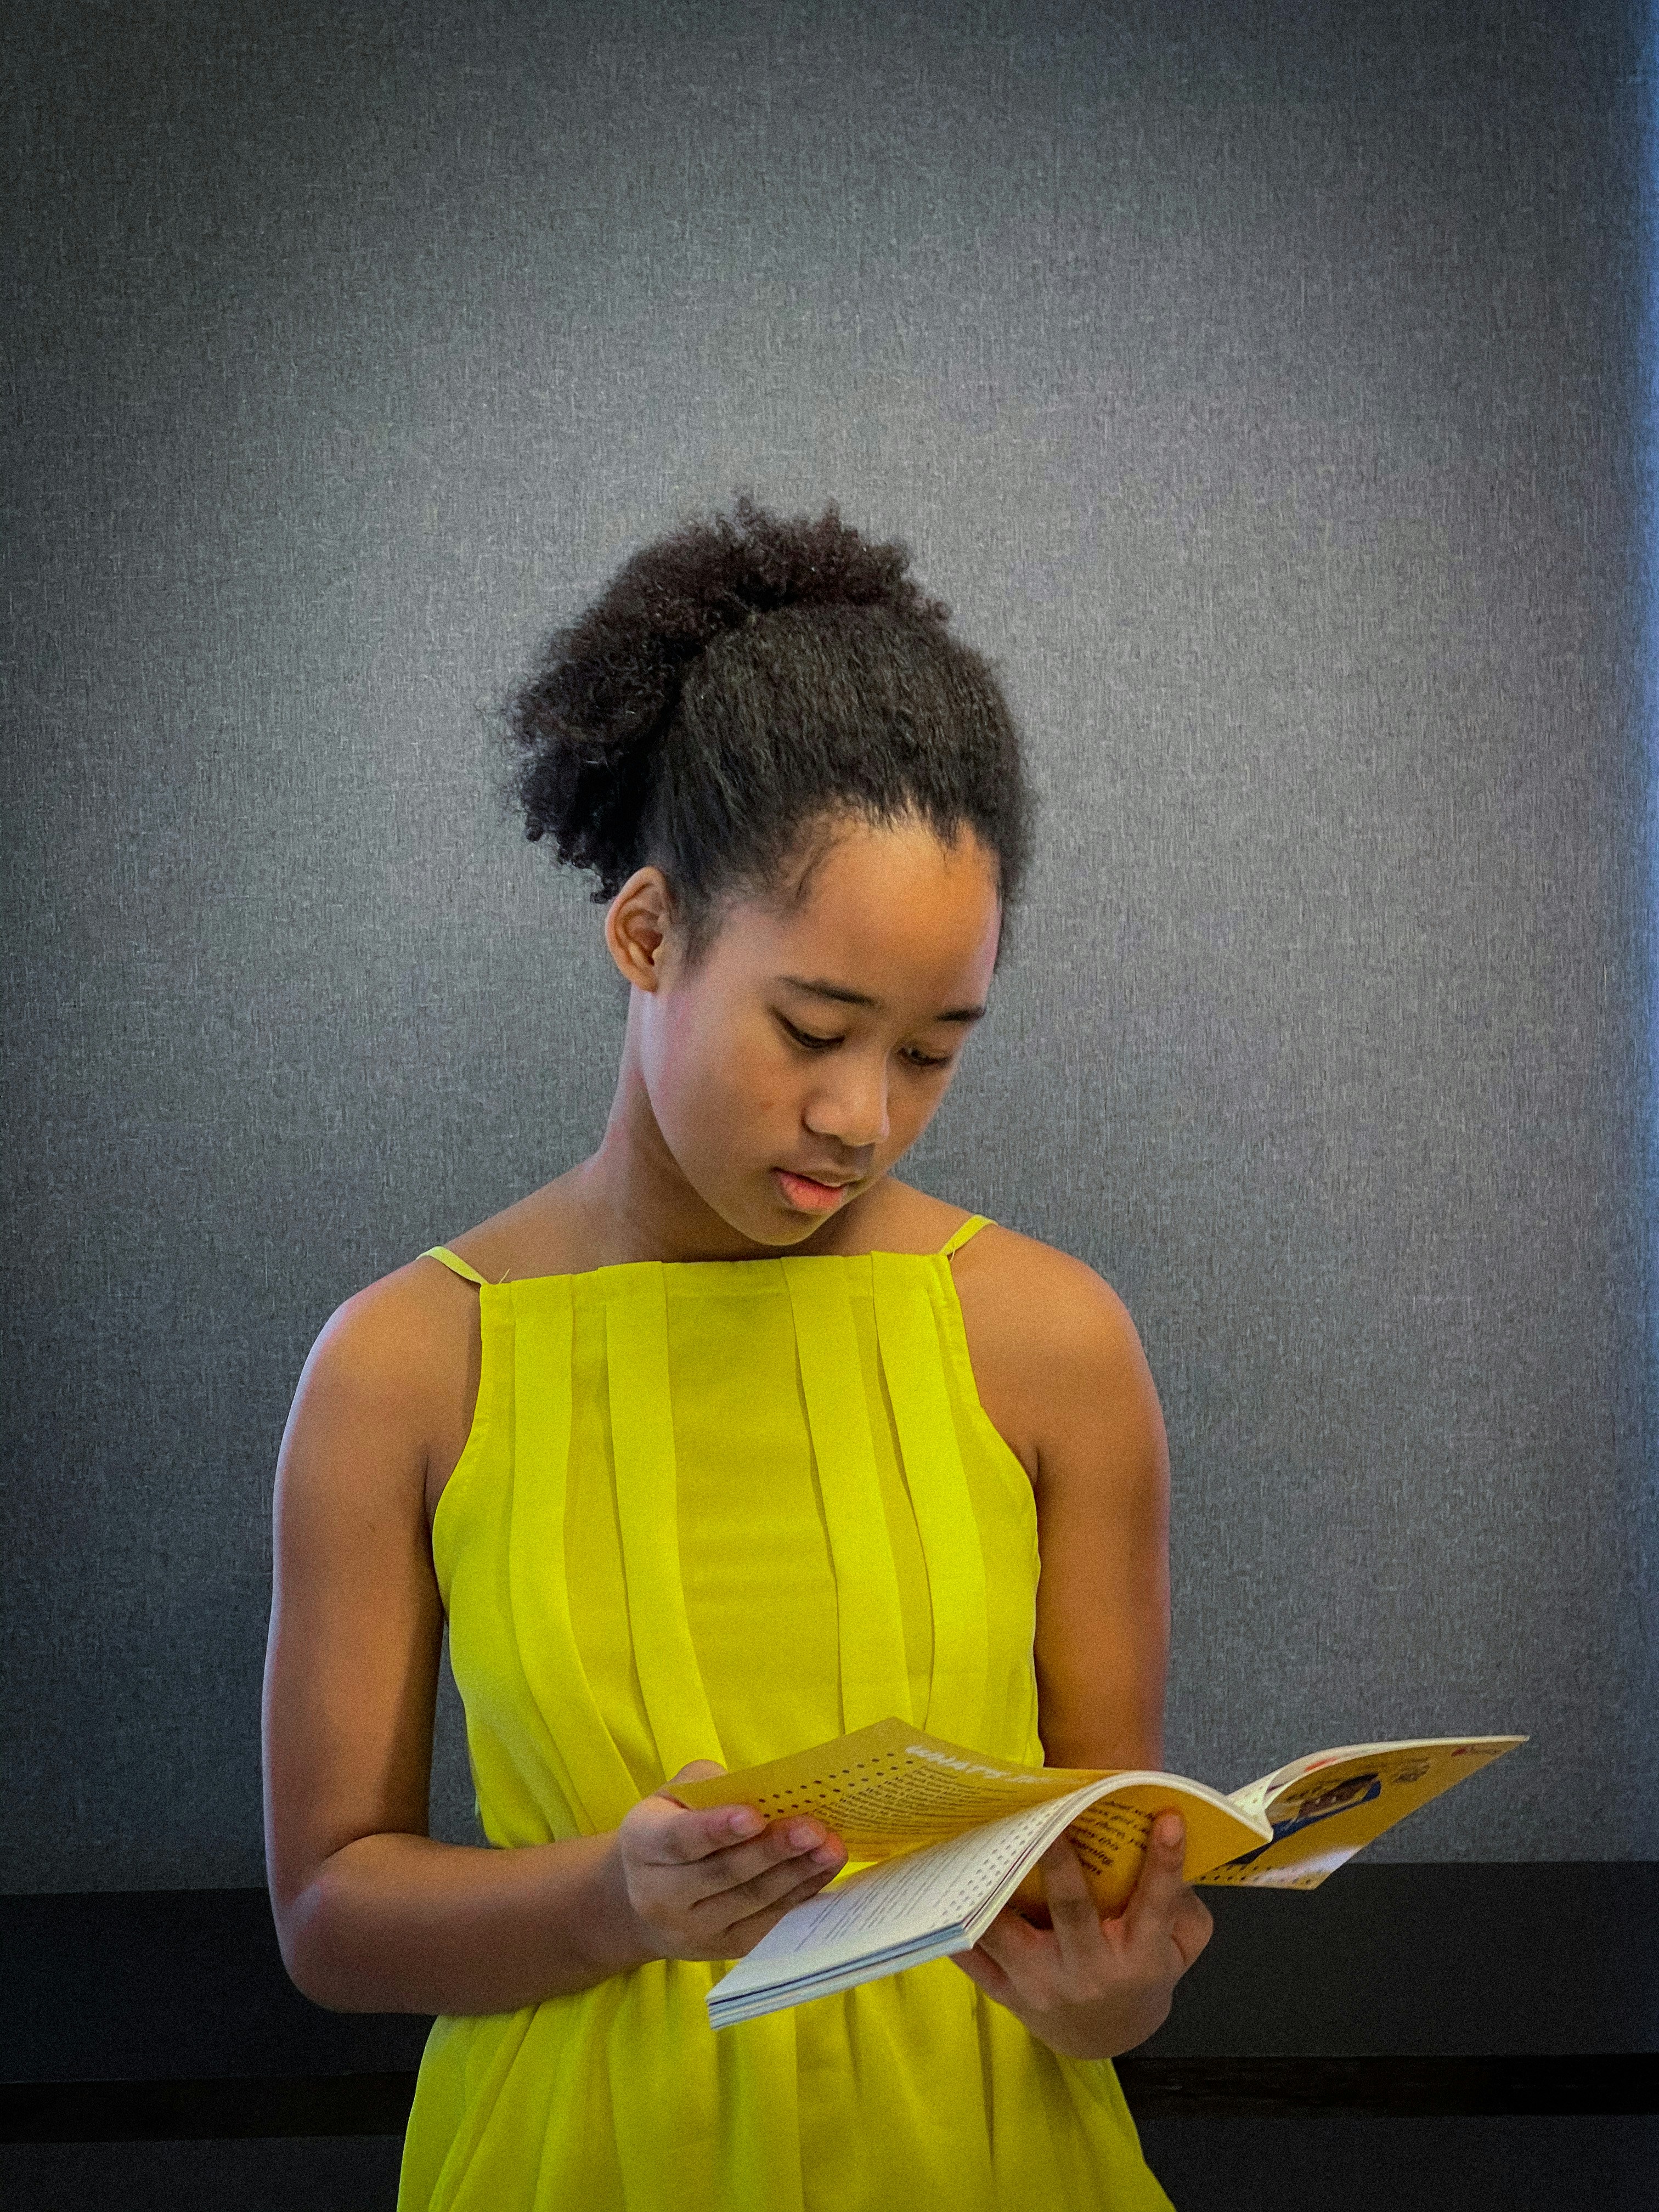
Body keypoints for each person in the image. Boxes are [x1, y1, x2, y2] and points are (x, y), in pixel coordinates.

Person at [261, 494, 1212, 2210]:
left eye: (930, 1051)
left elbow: (1100, 1889)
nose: (862, 1116)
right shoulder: (402, 1367)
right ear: (647, 935)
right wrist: (611, 1904)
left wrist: (1115, 1998)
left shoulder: (1057, 1346)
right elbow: (331, 1915)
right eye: (813, 1028)